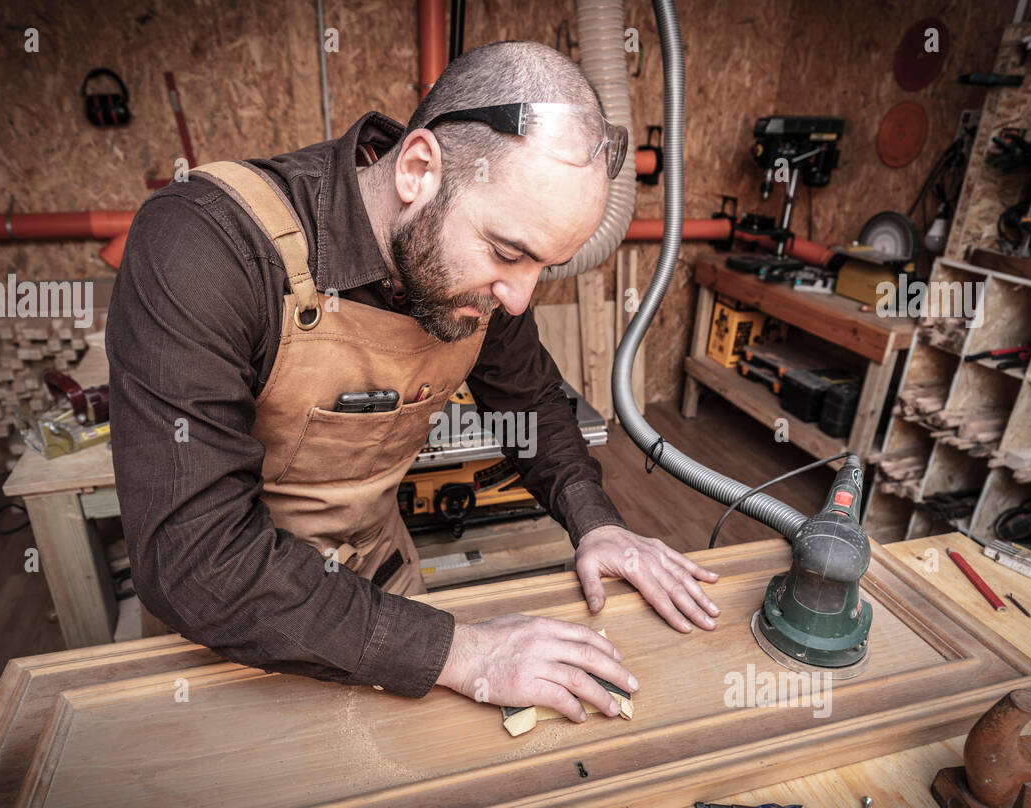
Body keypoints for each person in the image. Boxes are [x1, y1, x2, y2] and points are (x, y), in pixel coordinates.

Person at [107, 40, 721, 725]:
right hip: (230, 629)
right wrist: (466, 654)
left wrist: (596, 524)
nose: (520, 299)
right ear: (419, 169)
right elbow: (196, 560)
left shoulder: (489, 275)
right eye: (509, 253)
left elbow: (531, 403)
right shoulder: (204, 245)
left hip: (382, 586)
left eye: (545, 266)